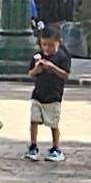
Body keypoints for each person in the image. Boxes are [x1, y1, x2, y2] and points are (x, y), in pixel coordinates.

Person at [29, 27, 72, 162]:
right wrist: (37, 69)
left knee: (53, 123)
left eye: (51, 45)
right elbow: (30, 73)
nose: (47, 48)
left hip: (54, 96)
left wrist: (52, 67)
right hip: (38, 94)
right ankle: (33, 145)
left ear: (59, 42)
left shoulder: (62, 56)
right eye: (44, 45)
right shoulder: (38, 55)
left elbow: (65, 74)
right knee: (34, 120)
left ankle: (55, 147)